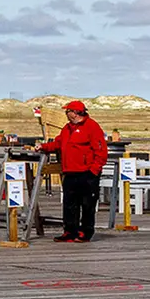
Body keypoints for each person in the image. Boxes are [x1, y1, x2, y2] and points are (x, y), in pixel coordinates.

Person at [39, 99, 107, 242]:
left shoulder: (92, 127)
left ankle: (85, 232)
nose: (66, 114)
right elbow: (58, 143)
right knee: (69, 204)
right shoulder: (67, 128)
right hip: (70, 172)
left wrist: (94, 171)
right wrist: (44, 147)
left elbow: (101, 151)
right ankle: (70, 231)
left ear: (75, 113)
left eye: (68, 111)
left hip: (87, 173)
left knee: (87, 204)